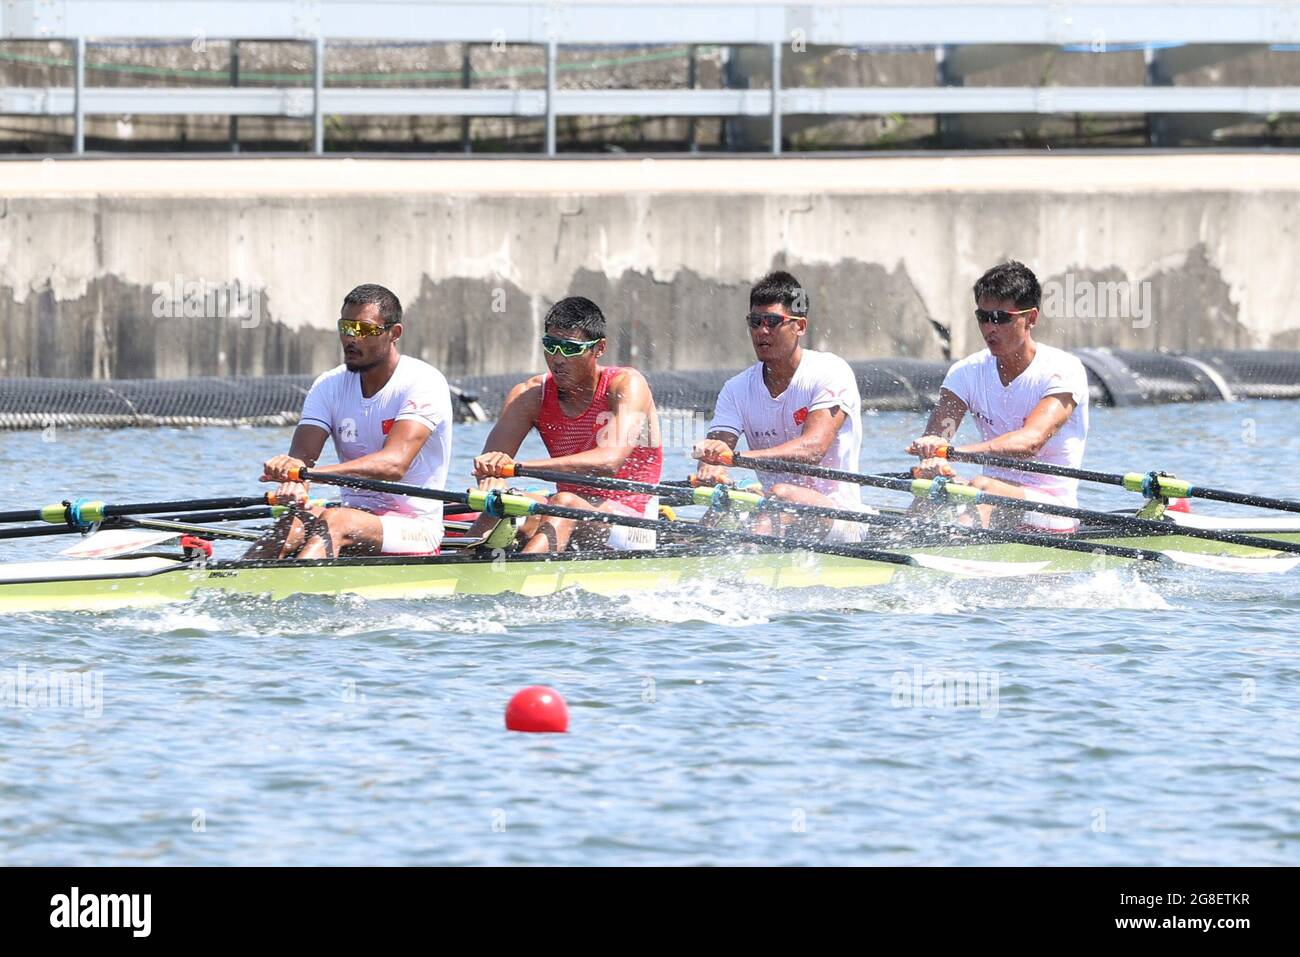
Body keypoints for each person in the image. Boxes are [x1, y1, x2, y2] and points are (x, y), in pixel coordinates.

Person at [245, 283, 453, 559]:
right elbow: (302, 463)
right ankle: (229, 591)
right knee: (290, 524)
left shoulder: (422, 381)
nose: (351, 339)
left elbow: (394, 464)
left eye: (364, 330)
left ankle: (297, 598)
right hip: (351, 517)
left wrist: (311, 475)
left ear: (394, 333)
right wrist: (292, 476)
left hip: (415, 529)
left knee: (337, 521)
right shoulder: (328, 385)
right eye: (346, 328)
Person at [470, 296, 663, 552]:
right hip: (568, 509)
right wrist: (491, 478)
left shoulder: (626, 385)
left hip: (631, 517)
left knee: (564, 503)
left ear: (599, 348)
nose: (558, 359)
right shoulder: (530, 395)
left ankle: (523, 586)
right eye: (550, 346)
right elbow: (492, 464)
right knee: (506, 502)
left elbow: (608, 461)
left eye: (570, 348)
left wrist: (516, 468)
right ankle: (459, 566)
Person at [907, 260, 1089, 531]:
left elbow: (1030, 442)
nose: (990, 328)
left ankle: (952, 551)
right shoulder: (965, 372)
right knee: (929, 489)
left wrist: (954, 453)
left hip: (1051, 508)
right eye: (983, 317)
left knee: (981, 486)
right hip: (992, 501)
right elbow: (938, 440)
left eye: (1001, 318)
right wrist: (933, 457)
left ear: (1031, 318)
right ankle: (897, 548)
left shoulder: (1062, 370)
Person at [691, 270, 868, 542]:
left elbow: (812, 449)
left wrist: (737, 458)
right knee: (726, 502)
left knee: (782, 495)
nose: (762, 331)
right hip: (772, 507)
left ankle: (748, 574)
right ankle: (690, 553)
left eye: (773, 321)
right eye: (755, 321)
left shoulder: (830, 371)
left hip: (841, 518)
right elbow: (719, 451)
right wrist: (712, 466)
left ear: (800, 326)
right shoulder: (736, 389)